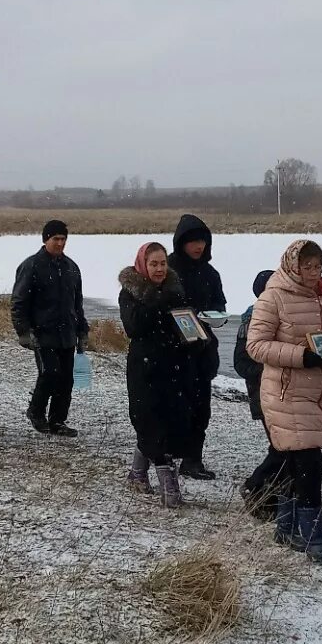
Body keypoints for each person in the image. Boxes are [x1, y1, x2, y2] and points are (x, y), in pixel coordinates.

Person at [247, 240, 322, 563]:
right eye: (308, 267)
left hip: (318, 391)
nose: (314, 273)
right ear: (293, 265)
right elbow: (257, 346)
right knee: (308, 462)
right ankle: (314, 537)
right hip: (285, 391)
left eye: (319, 266)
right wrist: (301, 356)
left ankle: (286, 527)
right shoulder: (273, 297)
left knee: (292, 462)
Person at [118, 242, 200, 508]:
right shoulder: (131, 292)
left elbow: (183, 323)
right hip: (145, 366)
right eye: (153, 264)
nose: (159, 269)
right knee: (149, 420)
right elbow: (134, 326)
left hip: (173, 365)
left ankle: (137, 474)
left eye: (163, 263)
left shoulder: (175, 289)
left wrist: (197, 335)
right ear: (143, 264)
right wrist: (157, 302)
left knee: (165, 421)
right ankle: (170, 487)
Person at [11, 220, 89, 437]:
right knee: (50, 373)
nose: (60, 243)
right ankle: (36, 412)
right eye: (56, 239)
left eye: (63, 239)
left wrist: (82, 331)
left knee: (66, 379)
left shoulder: (71, 267)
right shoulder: (32, 266)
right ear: (46, 239)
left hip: (67, 333)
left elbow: (77, 303)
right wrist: (23, 331)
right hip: (42, 333)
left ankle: (58, 421)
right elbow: (19, 301)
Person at [167, 214, 226, 479]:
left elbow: (219, 306)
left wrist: (212, 316)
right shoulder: (167, 271)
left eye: (202, 240)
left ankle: (192, 460)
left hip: (202, 350)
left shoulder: (210, 273)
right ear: (181, 243)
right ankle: (165, 456)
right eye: (192, 241)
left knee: (201, 408)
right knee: (174, 406)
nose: (198, 246)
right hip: (173, 351)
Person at [233, 269, 285, 520]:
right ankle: (257, 490)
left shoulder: (288, 318)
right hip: (263, 394)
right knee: (282, 448)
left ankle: (271, 498)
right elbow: (241, 364)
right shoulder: (250, 321)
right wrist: (270, 367)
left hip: (287, 393)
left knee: (285, 448)